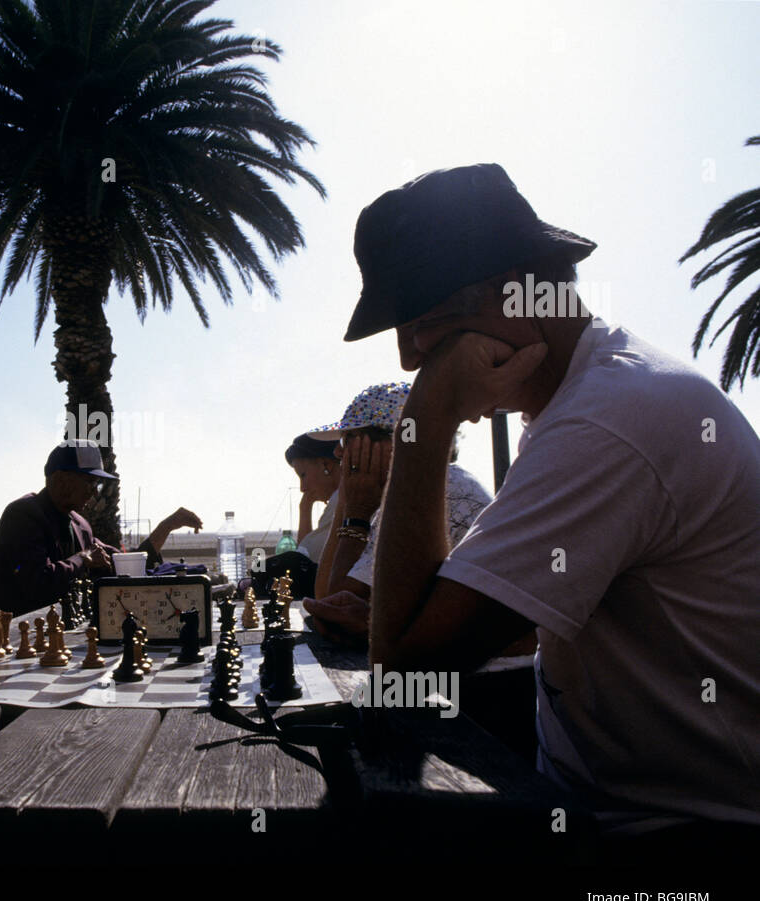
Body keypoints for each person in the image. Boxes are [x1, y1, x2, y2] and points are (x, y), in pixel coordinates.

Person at [340, 163, 760, 850]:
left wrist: (427, 420)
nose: (411, 359)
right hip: (584, 797)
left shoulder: (609, 421)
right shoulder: (590, 399)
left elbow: (404, 676)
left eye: (426, 325)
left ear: (519, 292)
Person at [304, 382, 492, 637]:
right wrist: (349, 497)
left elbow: (335, 603)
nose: (338, 452)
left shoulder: (430, 490)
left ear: (389, 445)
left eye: (348, 440)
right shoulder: (416, 484)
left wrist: (355, 512)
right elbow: (326, 599)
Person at [0, 440, 202, 615]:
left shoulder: (79, 525)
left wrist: (166, 527)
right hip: (11, 640)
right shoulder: (23, 515)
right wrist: (83, 558)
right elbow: (35, 584)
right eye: (90, 482)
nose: (94, 493)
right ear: (60, 480)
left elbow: (127, 566)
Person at [284, 432, 339, 564]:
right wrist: (305, 508)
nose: (302, 488)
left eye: (303, 475)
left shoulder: (342, 500)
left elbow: (305, 561)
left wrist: (304, 510)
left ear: (326, 465)